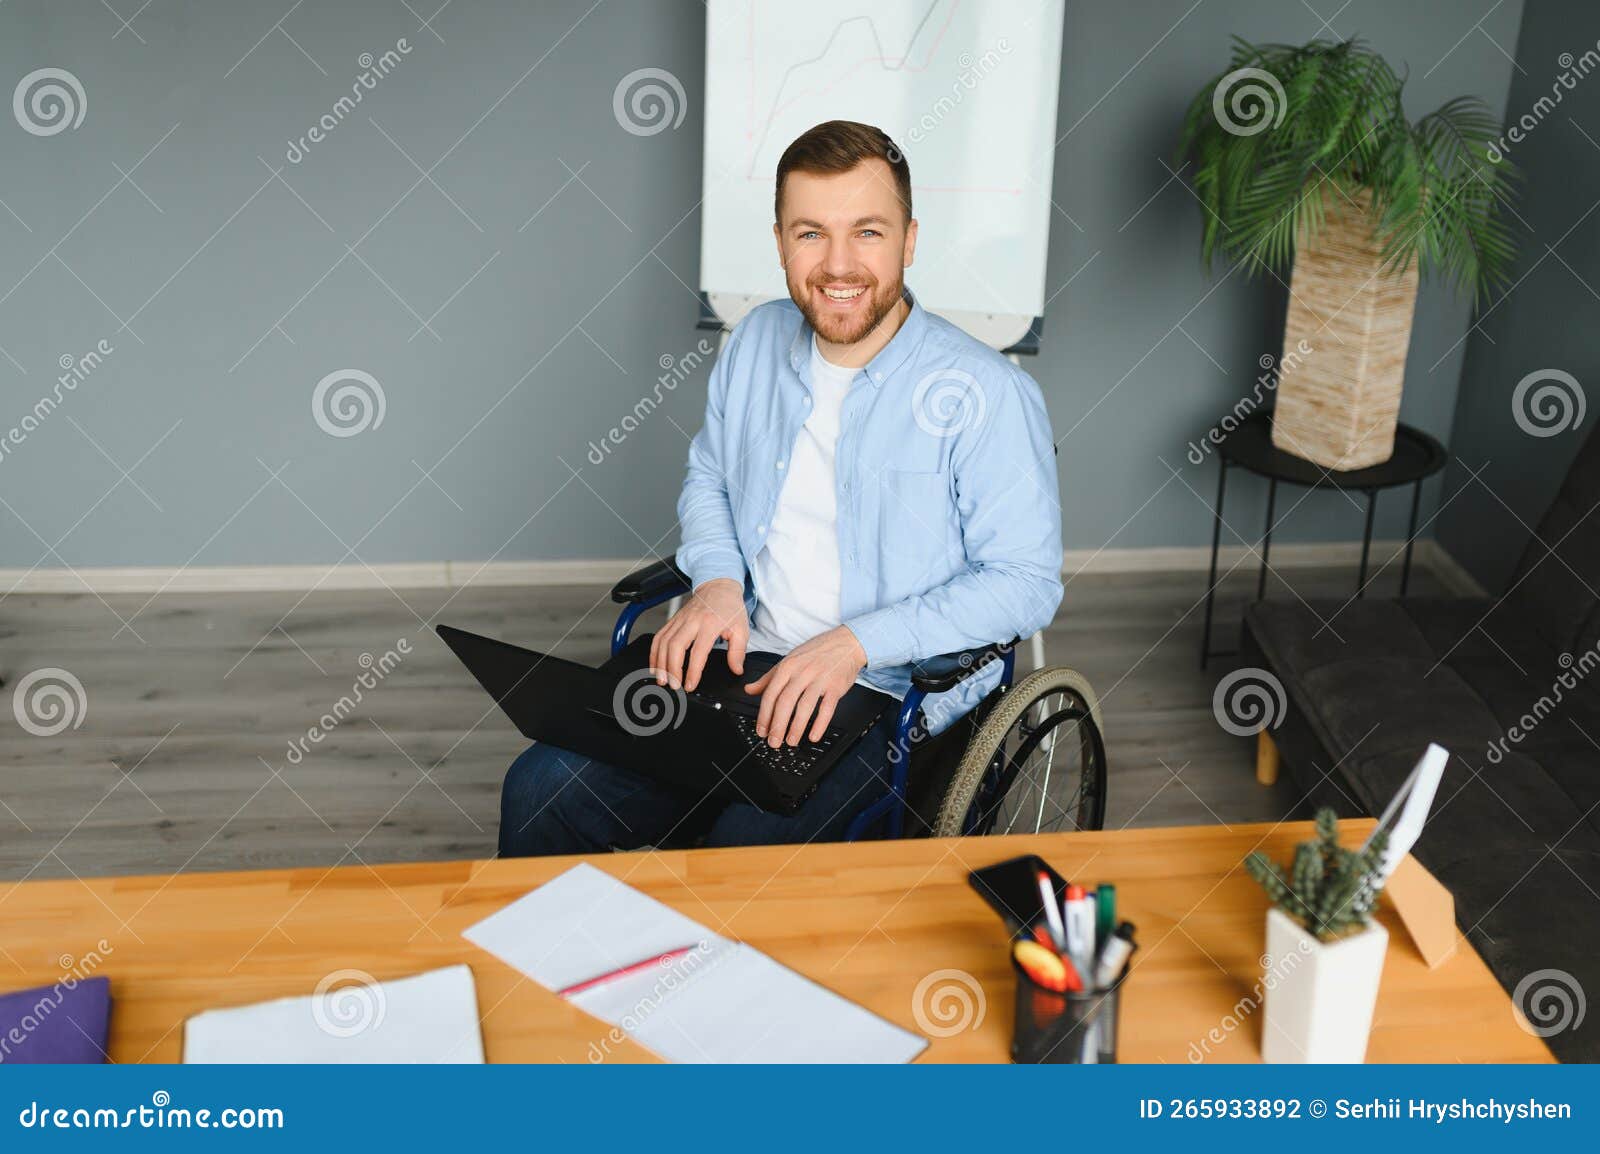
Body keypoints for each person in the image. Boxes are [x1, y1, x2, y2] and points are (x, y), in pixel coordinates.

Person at [499, 120, 1063, 856]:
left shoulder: (987, 393)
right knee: (541, 787)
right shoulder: (755, 344)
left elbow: (1025, 582)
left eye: (867, 232)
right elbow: (710, 476)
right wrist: (717, 582)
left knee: (746, 853)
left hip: (886, 692)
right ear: (779, 242)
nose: (838, 264)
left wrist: (857, 644)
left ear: (909, 241)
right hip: (740, 659)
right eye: (810, 234)